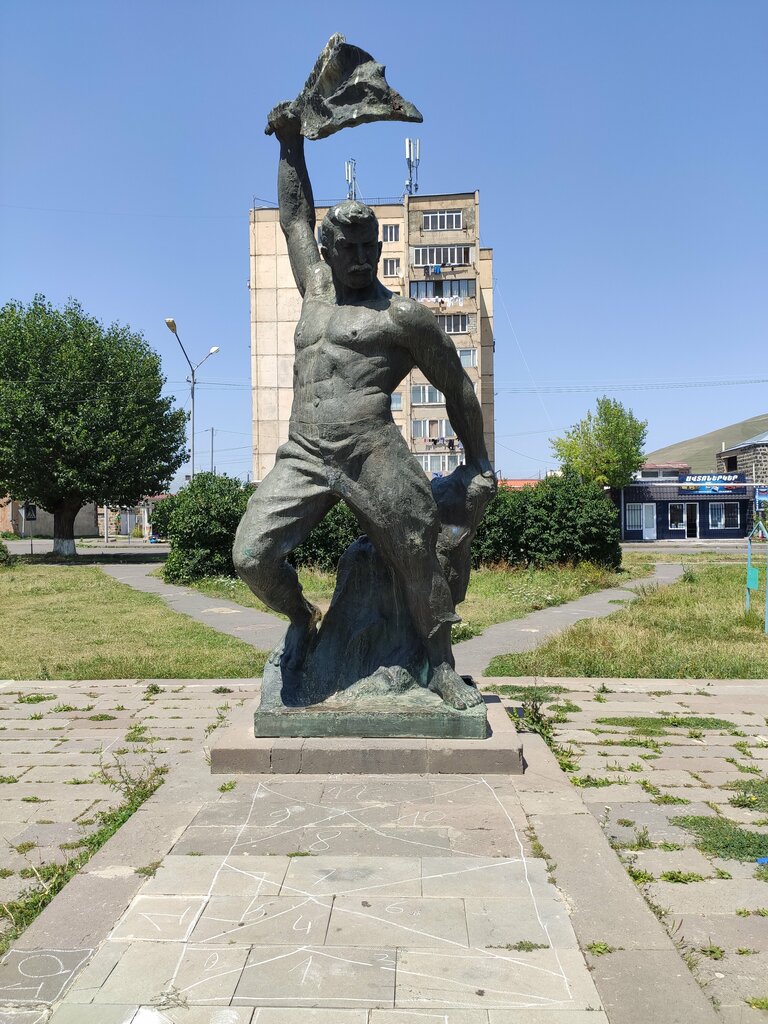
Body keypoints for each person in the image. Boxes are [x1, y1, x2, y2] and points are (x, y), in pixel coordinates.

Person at [233, 105, 495, 710]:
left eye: (367, 246)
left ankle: (440, 666)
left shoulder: (401, 317)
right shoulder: (315, 292)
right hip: (304, 450)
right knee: (251, 555)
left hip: (370, 447)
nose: (358, 257)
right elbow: (295, 218)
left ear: (379, 248)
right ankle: (302, 619)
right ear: (329, 251)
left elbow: (456, 387)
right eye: (346, 246)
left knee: (419, 548)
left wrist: (478, 461)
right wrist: (290, 142)